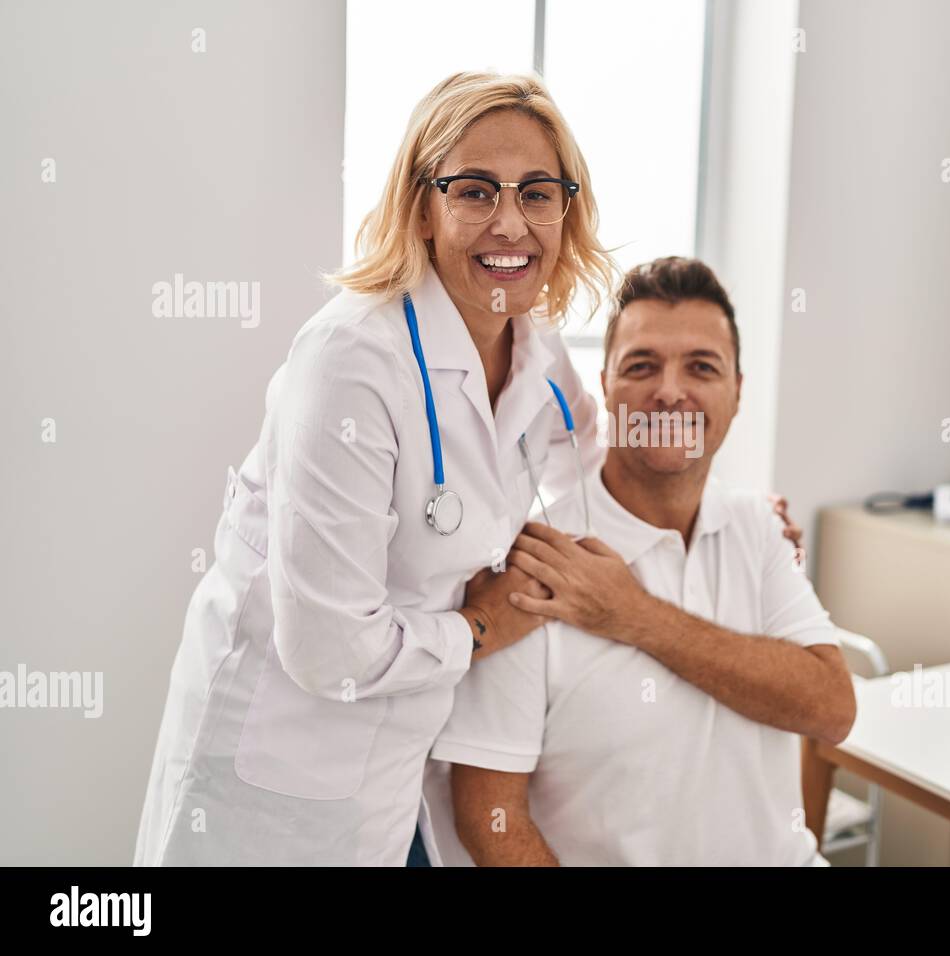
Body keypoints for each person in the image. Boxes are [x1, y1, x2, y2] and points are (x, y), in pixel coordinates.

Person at [133, 71, 617, 865]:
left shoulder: (537, 354)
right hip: (275, 784)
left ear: (567, 210)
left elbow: (595, 473)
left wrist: (736, 511)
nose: (510, 223)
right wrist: (482, 626)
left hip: (398, 776)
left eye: (537, 193)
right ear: (423, 207)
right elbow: (328, 651)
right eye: (473, 191)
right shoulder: (353, 358)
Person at [424, 257, 857, 866]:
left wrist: (635, 615)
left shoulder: (757, 526)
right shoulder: (539, 561)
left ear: (737, 392)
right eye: (642, 365)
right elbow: (489, 820)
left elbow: (831, 708)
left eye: (702, 367)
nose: (671, 390)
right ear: (606, 386)